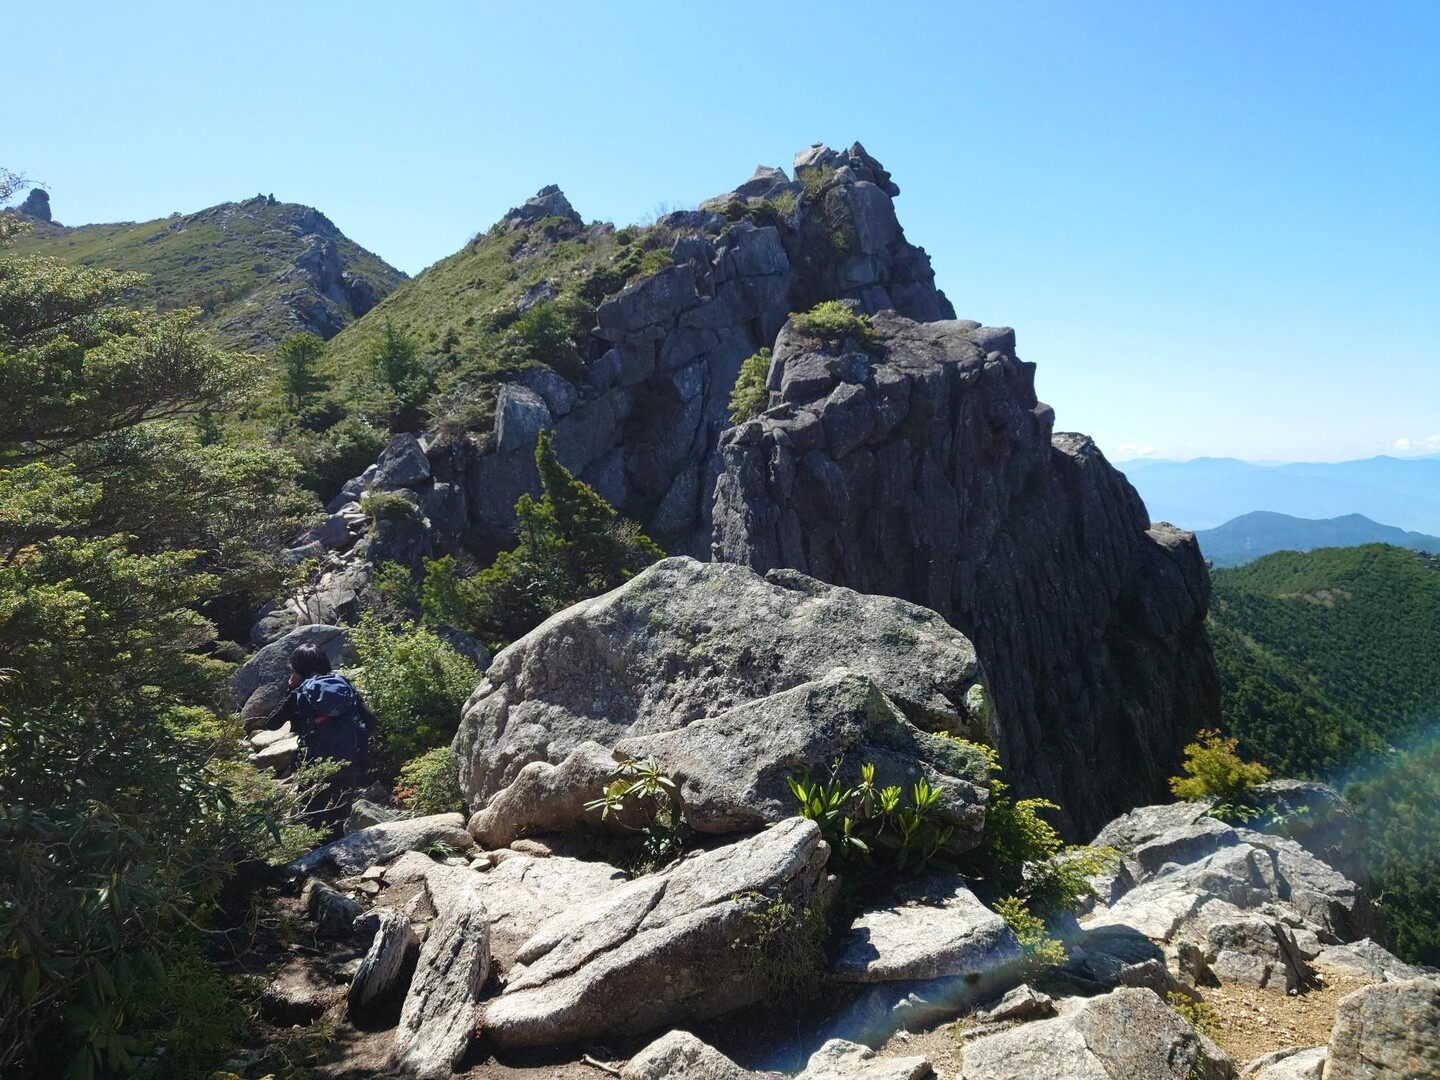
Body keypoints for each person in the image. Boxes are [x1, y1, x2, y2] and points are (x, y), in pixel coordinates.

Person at [259, 644, 378, 829]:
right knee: (339, 825)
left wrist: (290, 691)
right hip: (349, 765)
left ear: (298, 669)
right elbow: (371, 722)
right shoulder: (344, 686)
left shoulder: (300, 693)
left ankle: (319, 857)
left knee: (313, 826)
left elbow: (271, 724)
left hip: (316, 769)